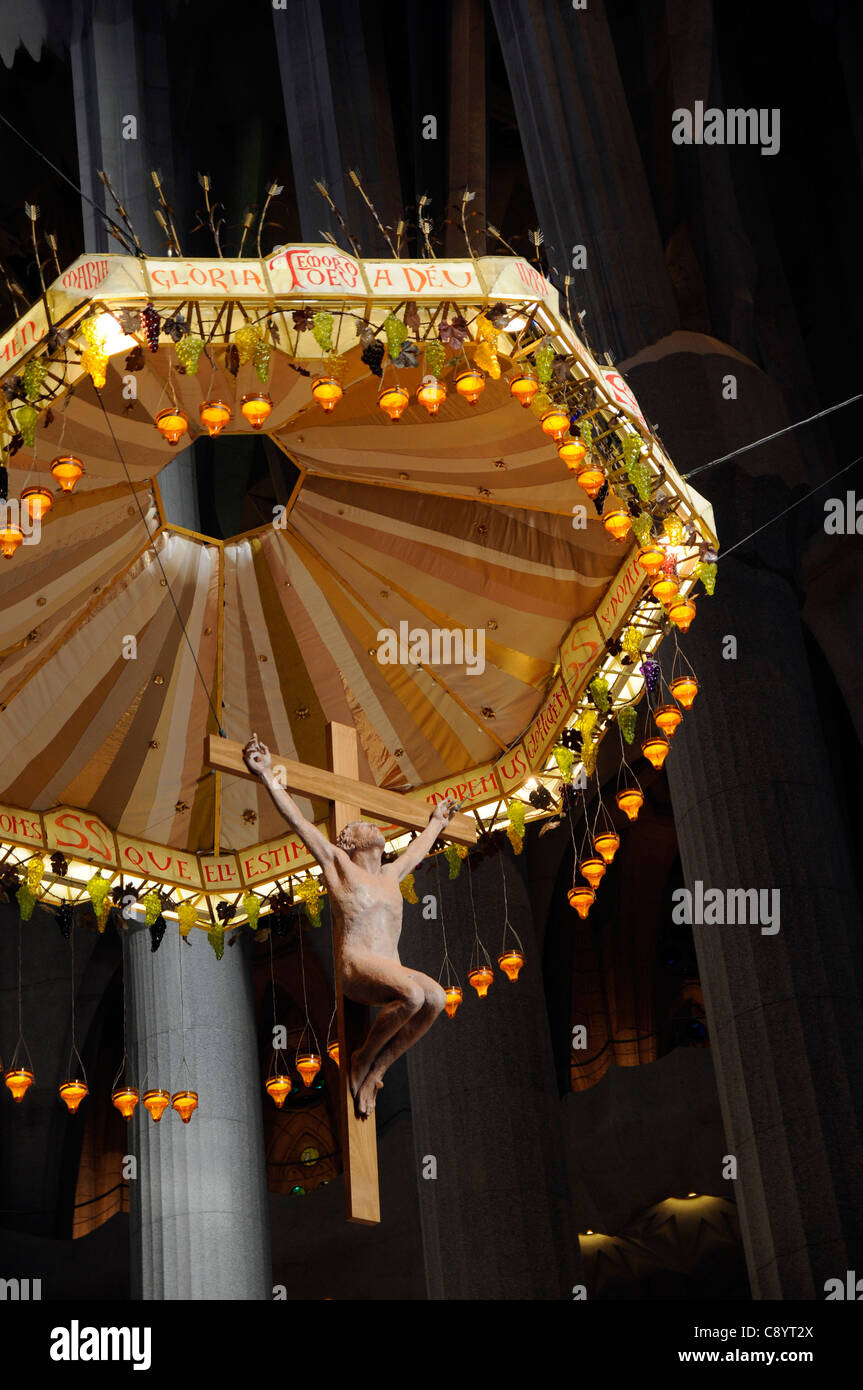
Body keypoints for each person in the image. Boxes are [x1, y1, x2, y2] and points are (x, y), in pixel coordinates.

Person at [242, 734, 461, 1118]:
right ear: (349, 842)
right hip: (357, 964)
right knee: (411, 996)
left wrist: (437, 823)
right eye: (365, 827)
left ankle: (377, 1067)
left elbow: (418, 849)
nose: (374, 828)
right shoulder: (338, 866)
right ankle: (361, 1058)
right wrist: (267, 775)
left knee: (436, 1000)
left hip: (390, 967)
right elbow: (299, 823)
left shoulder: (392, 873)